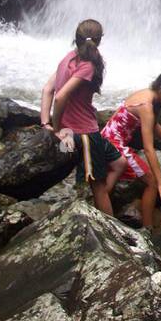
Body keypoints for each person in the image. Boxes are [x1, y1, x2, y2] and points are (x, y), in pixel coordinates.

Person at [40, 18, 126, 216]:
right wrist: (58, 127)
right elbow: (60, 97)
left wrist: (45, 123)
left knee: (119, 163)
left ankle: (84, 204)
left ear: (76, 38)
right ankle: (110, 234)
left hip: (79, 132)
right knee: (99, 188)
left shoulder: (68, 58)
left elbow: (47, 90)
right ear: (99, 40)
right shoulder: (88, 66)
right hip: (84, 133)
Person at [101, 70, 161, 228]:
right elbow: (148, 148)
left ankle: (98, 207)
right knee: (152, 183)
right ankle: (147, 229)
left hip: (106, 139)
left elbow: (154, 125)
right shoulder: (146, 106)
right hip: (114, 145)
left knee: (111, 181)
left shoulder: (148, 94)